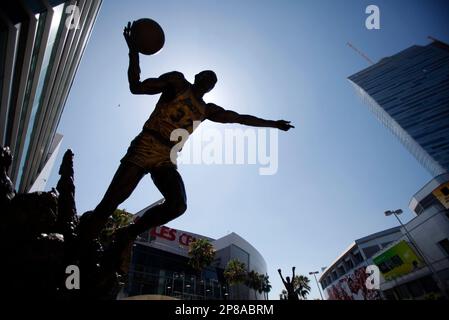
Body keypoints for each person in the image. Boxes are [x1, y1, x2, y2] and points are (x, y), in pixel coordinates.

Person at [79, 21, 294, 244]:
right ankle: (81, 241)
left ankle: (129, 232)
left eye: (213, 82)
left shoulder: (207, 109)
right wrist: (133, 51)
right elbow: (137, 87)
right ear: (197, 75)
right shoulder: (177, 82)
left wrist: (274, 124)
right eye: (207, 76)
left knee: (178, 205)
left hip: (167, 157)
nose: (209, 81)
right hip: (147, 143)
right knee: (113, 198)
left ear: (211, 89)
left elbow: (240, 118)